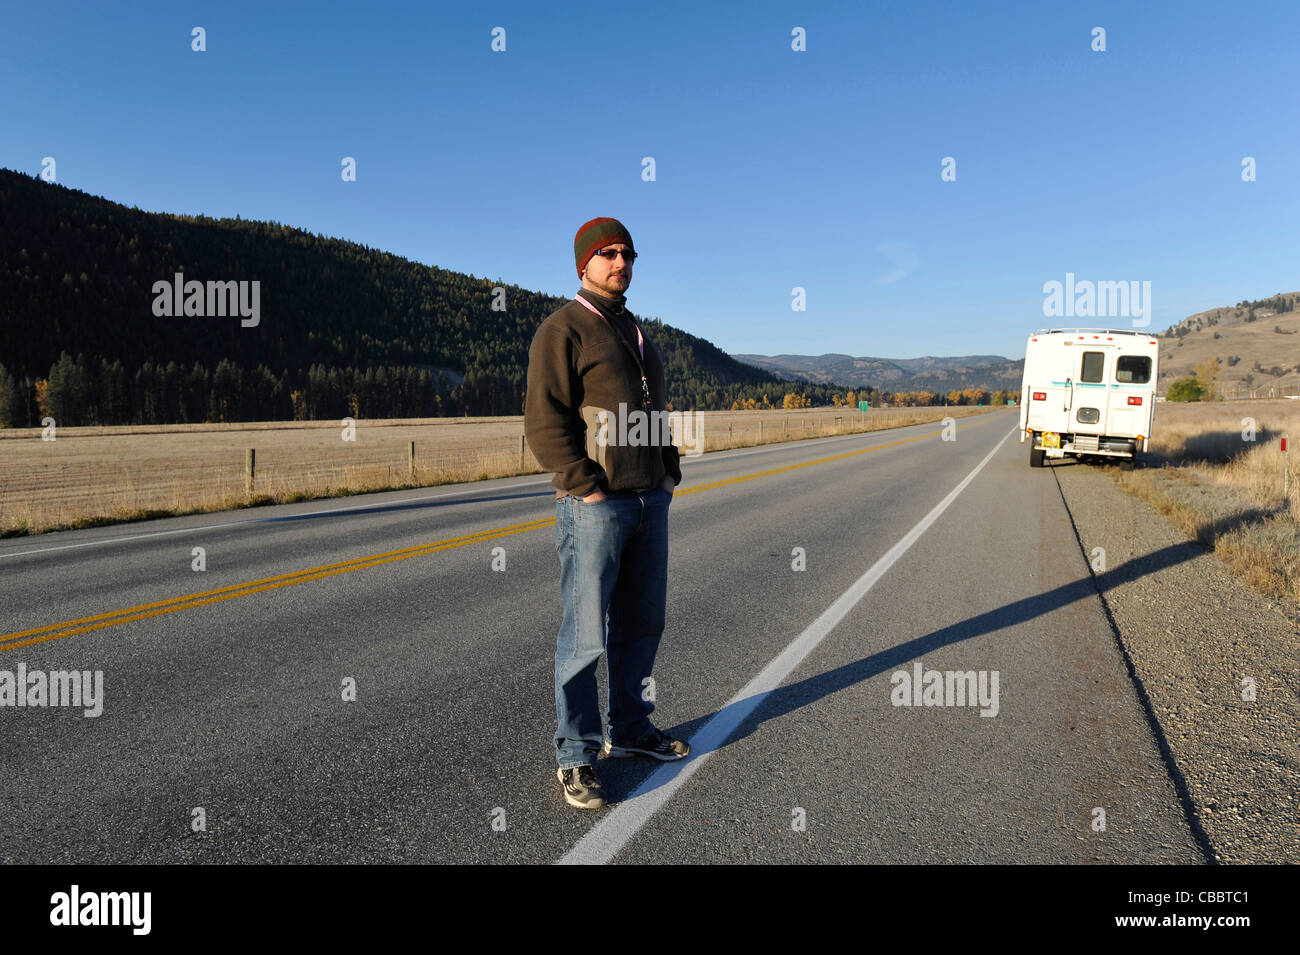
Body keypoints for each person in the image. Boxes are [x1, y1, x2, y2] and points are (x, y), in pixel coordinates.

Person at [524, 216, 690, 810]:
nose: (621, 263)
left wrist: (668, 468)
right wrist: (582, 484)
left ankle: (632, 730)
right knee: (585, 633)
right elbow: (545, 420)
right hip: (598, 505)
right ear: (584, 264)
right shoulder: (563, 329)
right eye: (609, 254)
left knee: (643, 623)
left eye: (628, 254)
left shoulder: (633, 329)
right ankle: (576, 753)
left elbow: (652, 408)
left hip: (650, 498)